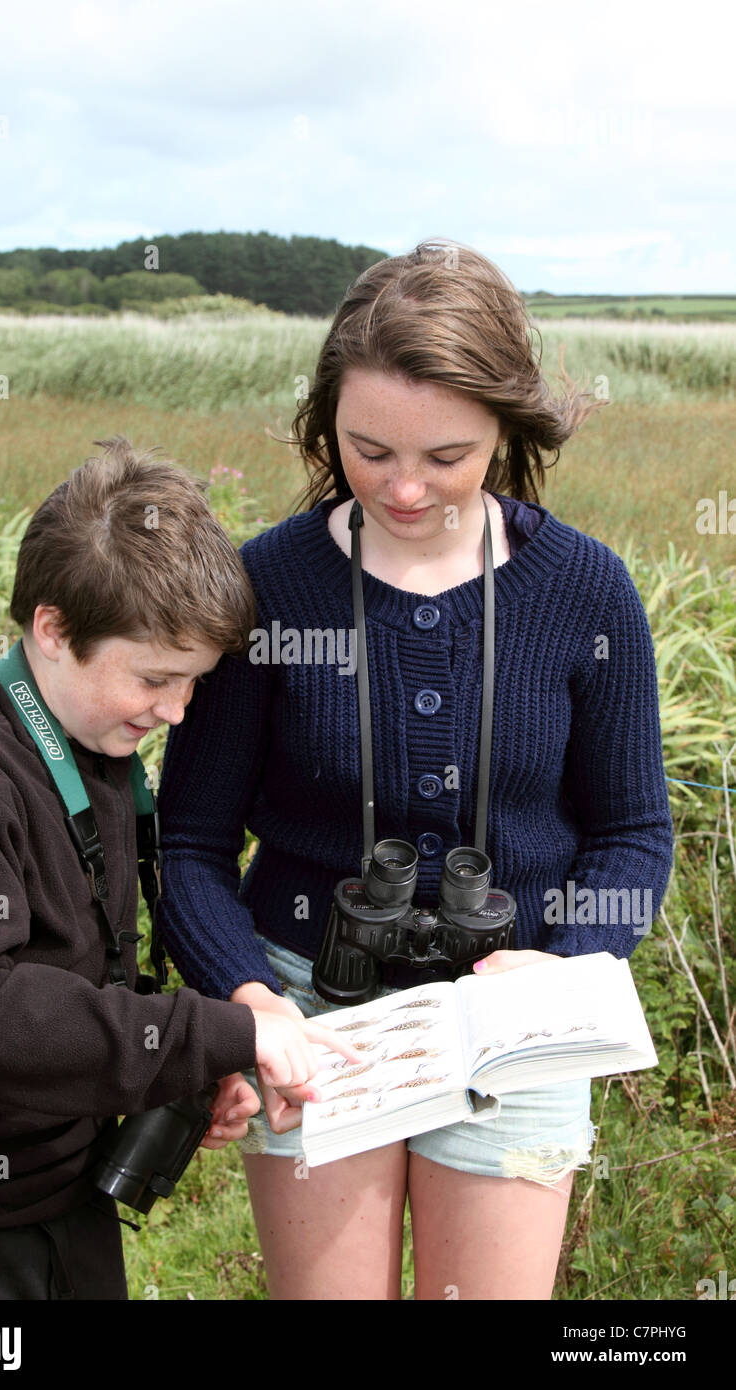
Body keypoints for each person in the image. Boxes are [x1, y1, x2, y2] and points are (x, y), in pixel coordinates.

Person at [156, 240, 675, 1300]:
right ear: (324, 421)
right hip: (311, 1013)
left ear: (507, 426)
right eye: (366, 448)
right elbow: (189, 843)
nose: (401, 487)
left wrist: (569, 957)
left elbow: (634, 833)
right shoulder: (268, 585)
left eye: (445, 455)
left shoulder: (585, 591)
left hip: (514, 1027)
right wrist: (248, 997)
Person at [0, 437, 353, 1300]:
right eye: (156, 679)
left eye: (194, 682)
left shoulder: (96, 749)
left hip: (61, 1204)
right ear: (53, 628)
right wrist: (216, 1032)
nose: (175, 711)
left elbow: (74, 976)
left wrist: (187, 1068)